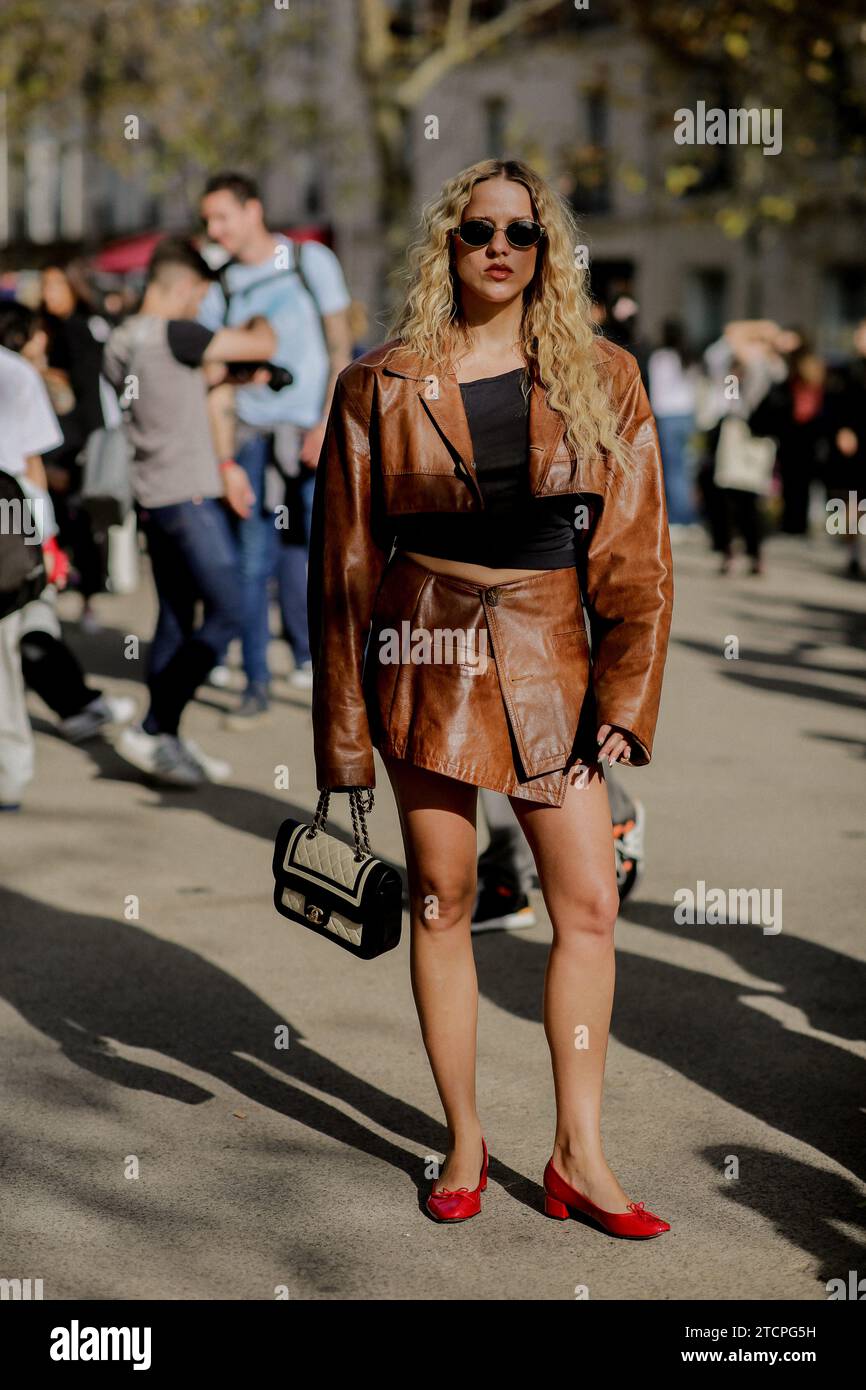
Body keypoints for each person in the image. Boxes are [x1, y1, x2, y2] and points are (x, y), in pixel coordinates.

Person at [308, 158, 674, 1235]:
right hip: (421, 652)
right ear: (449, 245)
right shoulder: (378, 382)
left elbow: (636, 556)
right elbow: (337, 571)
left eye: (521, 231)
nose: (500, 247)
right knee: (442, 897)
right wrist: (340, 748)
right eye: (477, 232)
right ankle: (464, 1139)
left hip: (551, 656)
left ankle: (580, 1154)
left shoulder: (602, 375)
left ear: (546, 251)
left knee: (590, 903)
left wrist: (626, 691)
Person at [102, 237, 276, 787]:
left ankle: (167, 739)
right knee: (228, 609)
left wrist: (218, 377)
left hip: (153, 496)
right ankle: (154, 727)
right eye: (198, 295)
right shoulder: (178, 332)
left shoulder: (123, 339)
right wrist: (260, 326)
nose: (199, 306)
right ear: (181, 288)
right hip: (189, 497)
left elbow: (162, 396)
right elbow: (257, 343)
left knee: (176, 619)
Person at [198, 172, 353, 722]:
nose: (215, 229)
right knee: (251, 561)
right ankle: (256, 681)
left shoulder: (310, 262)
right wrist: (223, 462)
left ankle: (328, 676)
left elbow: (342, 350)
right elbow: (212, 378)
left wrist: (325, 422)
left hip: (311, 435)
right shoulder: (219, 287)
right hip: (251, 441)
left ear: (254, 210)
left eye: (222, 217)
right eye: (208, 220)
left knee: (320, 557)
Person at [0, 302, 135, 754]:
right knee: (31, 615)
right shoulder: (18, 373)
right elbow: (34, 463)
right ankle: (74, 710)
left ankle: (77, 704)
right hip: (15, 516)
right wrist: (47, 539)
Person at [647, 319, 700, 528]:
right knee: (687, 466)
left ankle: (679, 515)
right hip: (687, 415)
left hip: (668, 416)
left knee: (672, 468)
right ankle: (689, 512)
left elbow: (657, 391)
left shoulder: (661, 357)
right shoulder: (689, 357)